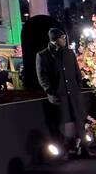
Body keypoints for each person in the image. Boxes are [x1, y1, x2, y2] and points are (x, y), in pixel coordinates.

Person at [36, 27, 92, 158]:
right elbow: (42, 77)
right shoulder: (43, 55)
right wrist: (51, 92)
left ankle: (85, 149)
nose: (65, 40)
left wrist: (78, 87)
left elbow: (77, 72)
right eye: (62, 38)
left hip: (73, 94)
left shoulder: (69, 53)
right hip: (59, 96)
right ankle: (66, 151)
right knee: (63, 124)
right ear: (55, 40)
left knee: (79, 122)